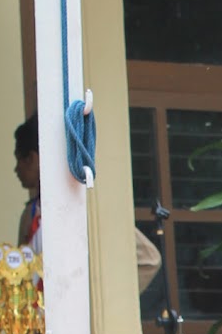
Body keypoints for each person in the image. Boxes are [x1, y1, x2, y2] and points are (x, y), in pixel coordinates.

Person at [13, 113, 162, 290]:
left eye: (19, 159)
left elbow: (149, 260)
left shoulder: (84, 206)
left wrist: (96, 300)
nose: (16, 169)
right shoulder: (30, 214)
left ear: (33, 158)